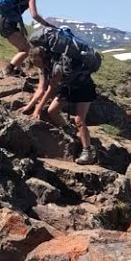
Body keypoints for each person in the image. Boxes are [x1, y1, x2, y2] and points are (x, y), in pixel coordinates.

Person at [24, 28, 99, 165]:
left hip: (83, 87)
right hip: (68, 87)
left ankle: (88, 151)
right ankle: (69, 130)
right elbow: (41, 88)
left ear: (44, 58)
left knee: (79, 120)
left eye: (38, 62)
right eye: (34, 63)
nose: (37, 66)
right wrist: (29, 106)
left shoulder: (57, 67)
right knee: (52, 111)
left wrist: (37, 110)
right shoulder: (44, 67)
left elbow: (50, 89)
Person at [0, 0, 54, 73]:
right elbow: (34, 15)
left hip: (6, 22)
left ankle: (17, 70)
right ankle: (8, 70)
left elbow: (17, 10)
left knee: (24, 47)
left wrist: (22, 26)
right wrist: (48, 25)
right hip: (8, 24)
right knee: (27, 49)